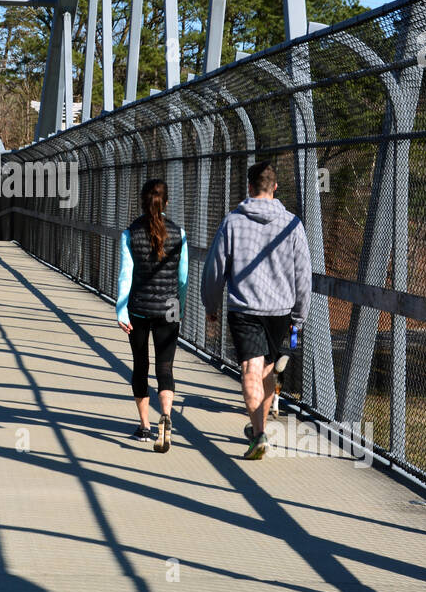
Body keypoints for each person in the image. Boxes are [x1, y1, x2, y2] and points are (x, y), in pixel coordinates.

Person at [201, 162, 311, 460]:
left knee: (251, 369)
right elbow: (303, 275)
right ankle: (259, 430)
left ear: (249, 187)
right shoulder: (292, 224)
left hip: (244, 308)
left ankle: (259, 432)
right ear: (275, 187)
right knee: (265, 372)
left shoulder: (233, 222)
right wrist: (298, 317)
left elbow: (215, 268)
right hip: (280, 311)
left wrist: (211, 304)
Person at [115, 179, 188, 452]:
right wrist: (178, 304)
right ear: (166, 202)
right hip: (169, 310)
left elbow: (126, 276)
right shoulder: (179, 233)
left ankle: (145, 426)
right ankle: (166, 415)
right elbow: (183, 278)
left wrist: (121, 310)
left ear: (143, 202)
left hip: (139, 309)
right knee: (165, 367)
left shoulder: (130, 233)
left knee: (140, 365)